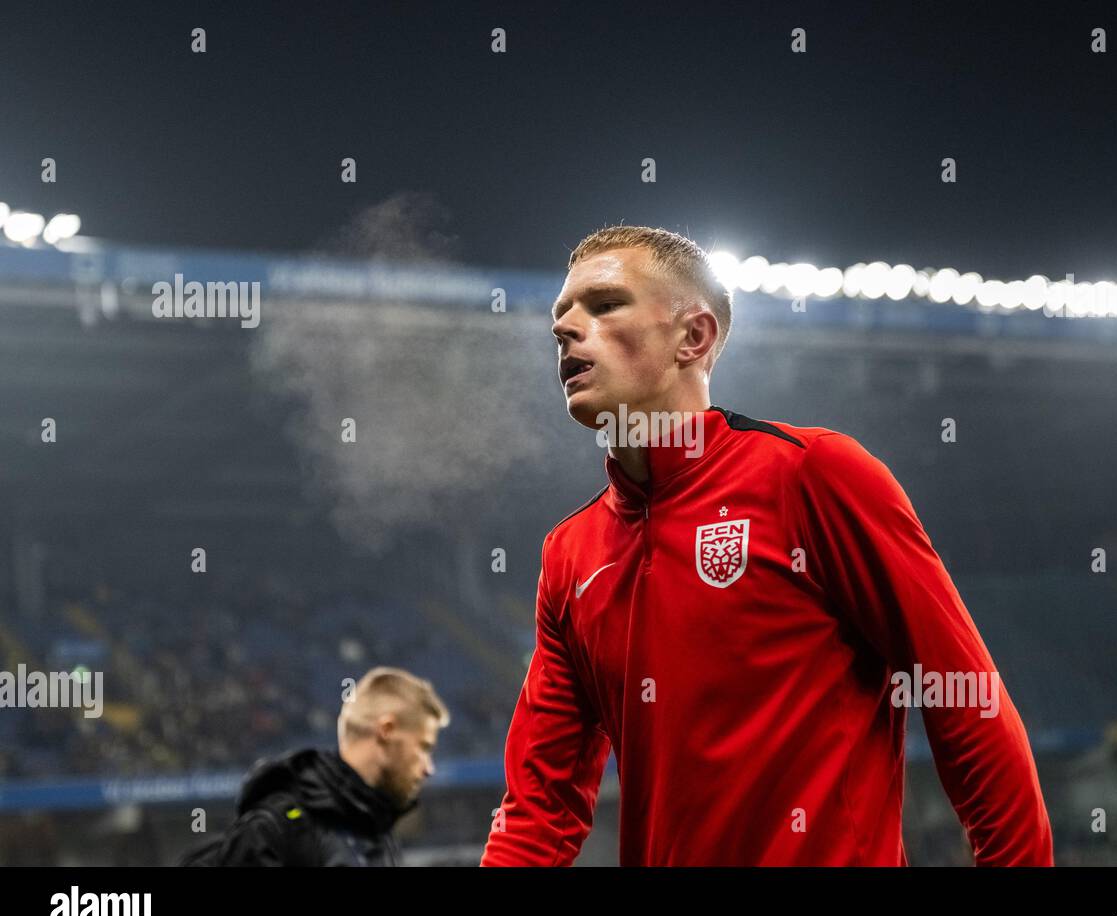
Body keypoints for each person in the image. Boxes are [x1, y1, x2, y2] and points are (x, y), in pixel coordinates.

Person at [481, 225, 1053, 866]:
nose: (565, 328)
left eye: (605, 304)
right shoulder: (570, 554)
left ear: (693, 337)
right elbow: (540, 806)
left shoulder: (813, 474)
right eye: (560, 314)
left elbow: (962, 697)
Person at [192, 666, 448, 866]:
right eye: (423, 747)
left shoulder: (377, 832)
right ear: (386, 730)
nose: (428, 768)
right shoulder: (278, 829)